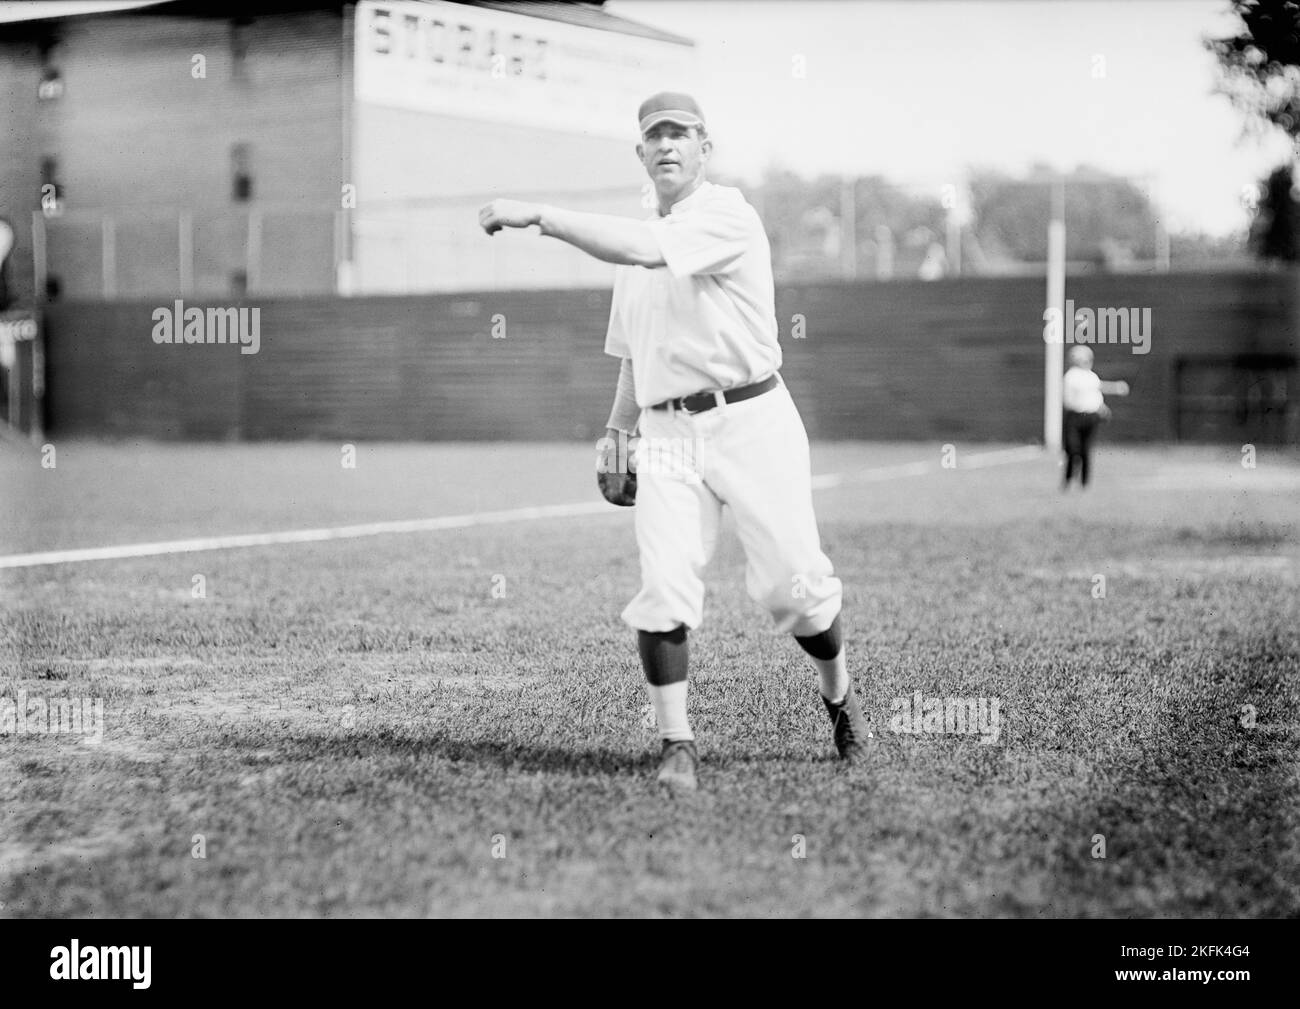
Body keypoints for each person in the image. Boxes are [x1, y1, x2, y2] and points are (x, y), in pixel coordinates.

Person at [478, 92, 871, 791]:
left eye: (680, 134)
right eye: (654, 135)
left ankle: (838, 700)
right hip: (666, 430)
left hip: (752, 418)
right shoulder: (633, 246)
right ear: (640, 153)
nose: (667, 145)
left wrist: (541, 215)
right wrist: (615, 431)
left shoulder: (726, 214)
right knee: (663, 589)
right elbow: (635, 354)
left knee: (799, 587)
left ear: (703, 148)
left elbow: (644, 248)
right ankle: (676, 742)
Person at [1061, 345, 1129, 488]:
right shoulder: (1072, 375)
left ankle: (1084, 482)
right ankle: (1068, 478)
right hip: (1075, 416)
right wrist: (1116, 387)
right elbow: (1092, 388)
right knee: (1073, 449)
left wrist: (1103, 407)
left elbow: (1095, 393)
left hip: (1090, 417)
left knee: (1085, 450)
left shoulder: (1091, 376)